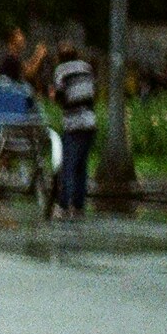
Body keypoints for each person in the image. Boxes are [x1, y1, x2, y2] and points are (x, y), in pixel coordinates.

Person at [49, 41, 98, 216]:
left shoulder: (61, 71)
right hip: (90, 122)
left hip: (73, 123)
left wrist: (53, 95)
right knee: (82, 166)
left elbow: (62, 97)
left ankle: (63, 205)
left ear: (60, 57)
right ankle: (78, 206)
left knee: (68, 165)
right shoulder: (86, 67)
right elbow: (93, 93)